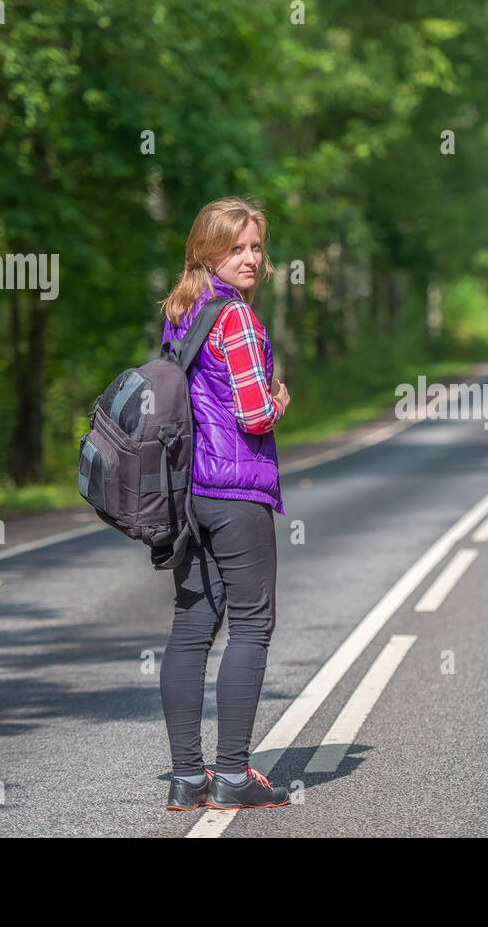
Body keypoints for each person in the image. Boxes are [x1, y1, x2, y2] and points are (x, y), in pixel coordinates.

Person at [156, 196, 293, 810]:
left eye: (256, 246)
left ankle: (188, 779)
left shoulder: (182, 311)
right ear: (206, 252)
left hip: (190, 495)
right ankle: (233, 774)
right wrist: (280, 401)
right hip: (236, 492)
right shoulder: (235, 318)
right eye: (234, 247)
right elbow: (253, 412)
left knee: (191, 630)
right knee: (252, 627)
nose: (249, 258)